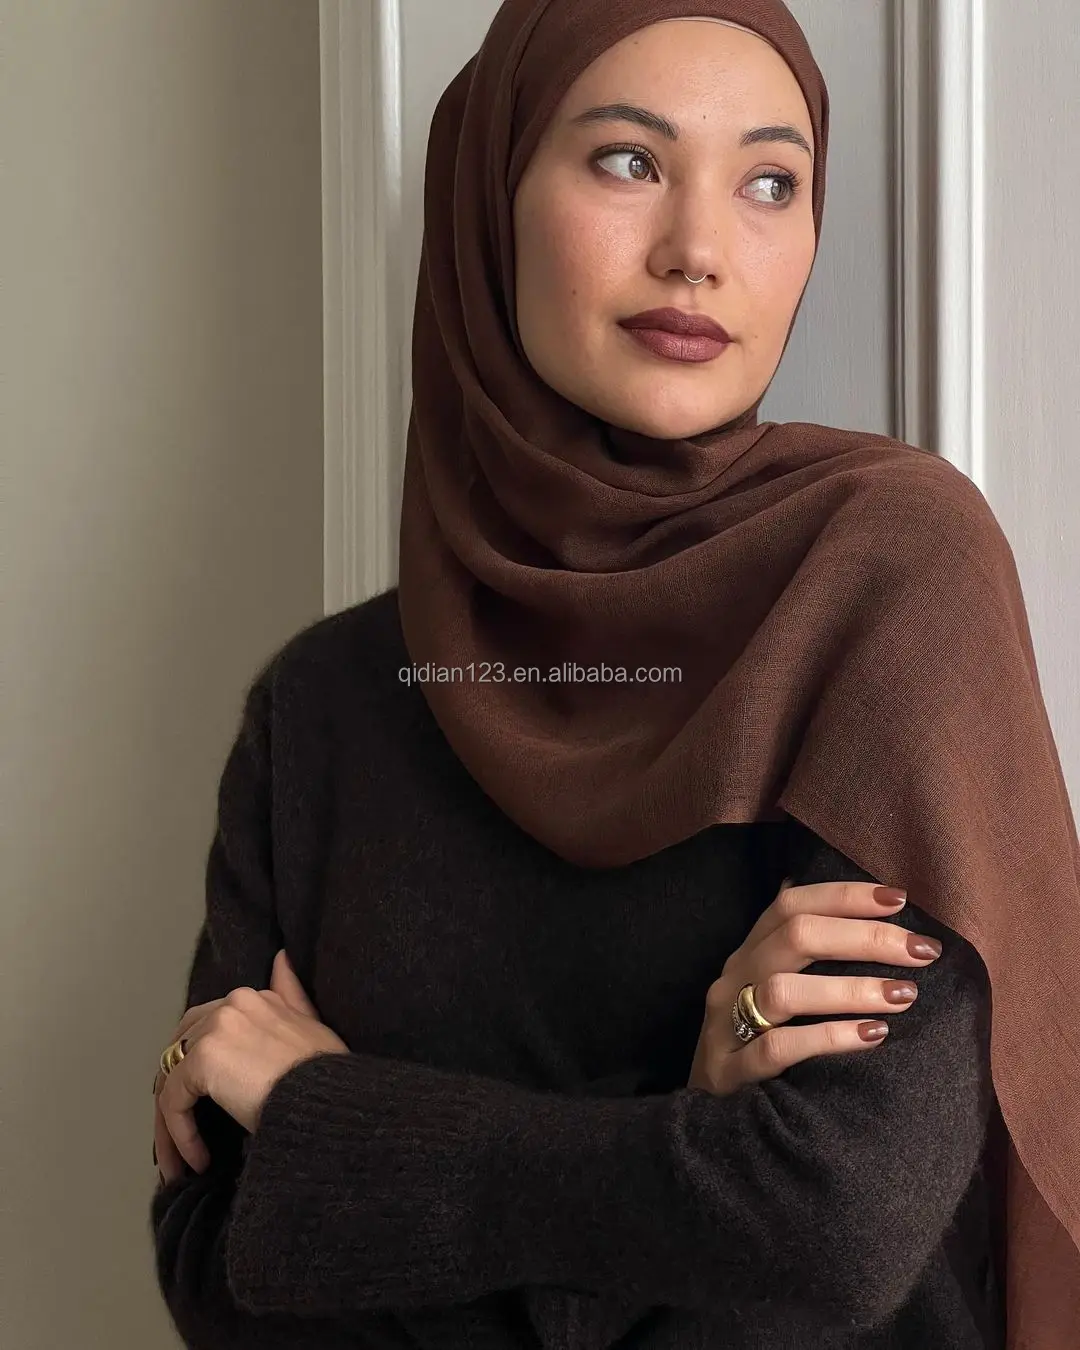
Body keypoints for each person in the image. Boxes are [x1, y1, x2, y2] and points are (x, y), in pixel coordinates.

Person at [150, 4, 1080, 1349]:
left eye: (771, 181)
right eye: (629, 161)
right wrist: (690, 1139)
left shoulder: (887, 572)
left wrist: (333, 1127)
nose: (700, 247)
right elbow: (220, 1273)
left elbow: (837, 1223)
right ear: (492, 201)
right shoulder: (327, 708)